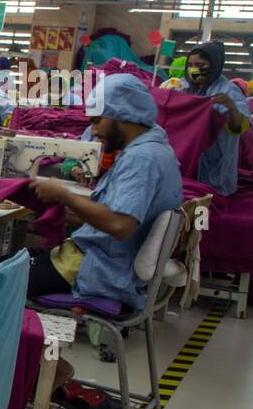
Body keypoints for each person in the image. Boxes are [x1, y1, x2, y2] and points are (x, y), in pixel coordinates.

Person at [28, 74, 183, 312]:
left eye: (98, 120)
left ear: (123, 114)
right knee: (17, 257)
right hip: (102, 259)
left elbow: (120, 225)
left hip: (97, 271)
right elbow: (114, 214)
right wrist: (55, 208)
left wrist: (64, 194)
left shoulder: (141, 159)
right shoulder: (155, 150)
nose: (94, 130)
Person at [184, 41, 249, 196]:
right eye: (190, 64)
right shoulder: (186, 87)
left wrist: (232, 108)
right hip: (191, 163)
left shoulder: (228, 91)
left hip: (216, 167)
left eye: (200, 64)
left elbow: (240, 127)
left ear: (213, 64)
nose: (194, 69)